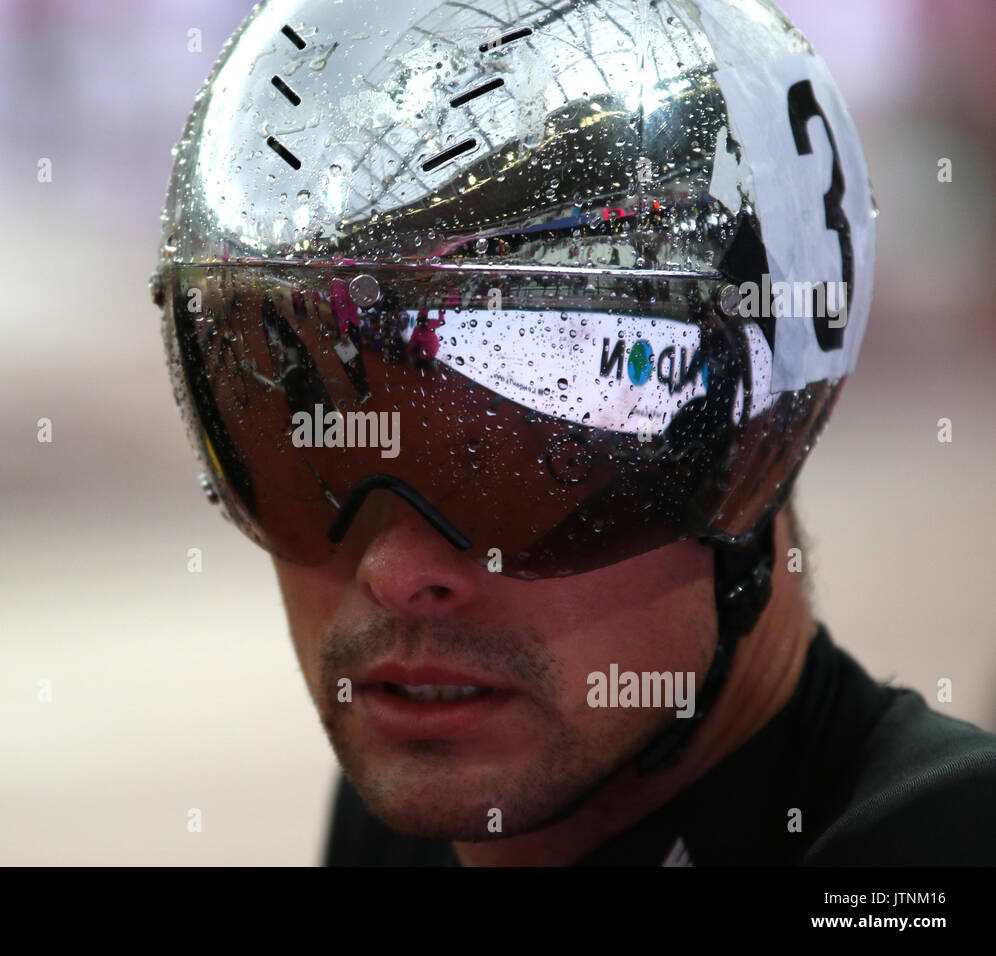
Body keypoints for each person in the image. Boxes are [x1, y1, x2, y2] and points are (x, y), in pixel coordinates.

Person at [150, 0, 996, 865]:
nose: (394, 575)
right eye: (307, 455)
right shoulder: (402, 829)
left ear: (752, 455)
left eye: (512, 474)